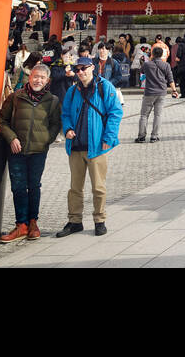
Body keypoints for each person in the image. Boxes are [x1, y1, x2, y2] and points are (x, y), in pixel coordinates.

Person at [0, 63, 62, 243]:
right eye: (35, 76)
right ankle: (21, 225)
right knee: (18, 187)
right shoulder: (16, 97)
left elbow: (56, 124)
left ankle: (33, 223)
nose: (38, 80)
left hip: (38, 151)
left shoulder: (53, 101)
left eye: (42, 77)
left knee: (34, 186)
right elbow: (2, 120)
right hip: (16, 150)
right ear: (29, 77)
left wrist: (46, 139)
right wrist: (11, 138)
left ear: (47, 81)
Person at [58, 57, 122, 237]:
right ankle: (74, 221)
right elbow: (65, 114)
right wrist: (68, 128)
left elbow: (115, 112)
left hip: (97, 146)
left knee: (98, 187)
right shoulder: (72, 91)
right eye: (77, 70)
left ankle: (99, 220)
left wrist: (109, 137)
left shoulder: (104, 87)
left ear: (92, 68)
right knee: (75, 188)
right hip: (76, 147)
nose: (80, 72)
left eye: (84, 68)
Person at [135, 44, 174, 142]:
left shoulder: (147, 64)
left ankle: (141, 137)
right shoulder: (166, 65)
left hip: (149, 92)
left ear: (152, 54)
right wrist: (174, 90)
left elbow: (141, 71)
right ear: (161, 55)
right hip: (161, 92)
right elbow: (170, 79)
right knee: (158, 115)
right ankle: (154, 136)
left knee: (144, 115)